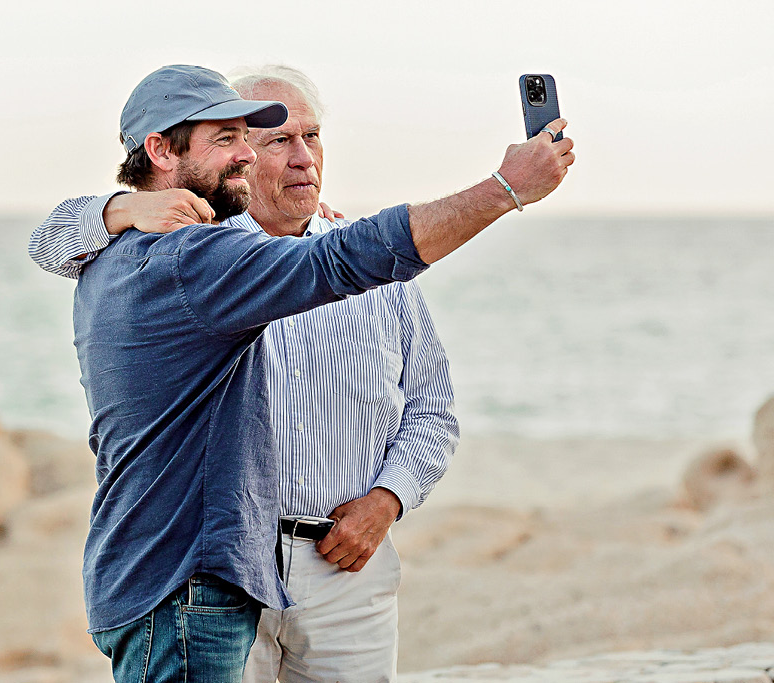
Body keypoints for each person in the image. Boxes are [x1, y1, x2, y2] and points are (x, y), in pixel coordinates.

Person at [28, 64, 573, 683]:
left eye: (308, 137)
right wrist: (505, 187)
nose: (291, 157)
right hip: (217, 566)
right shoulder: (196, 255)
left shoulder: (155, 250)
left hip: (324, 570)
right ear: (160, 150)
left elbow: (431, 405)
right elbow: (47, 239)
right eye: (250, 140)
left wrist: (388, 499)